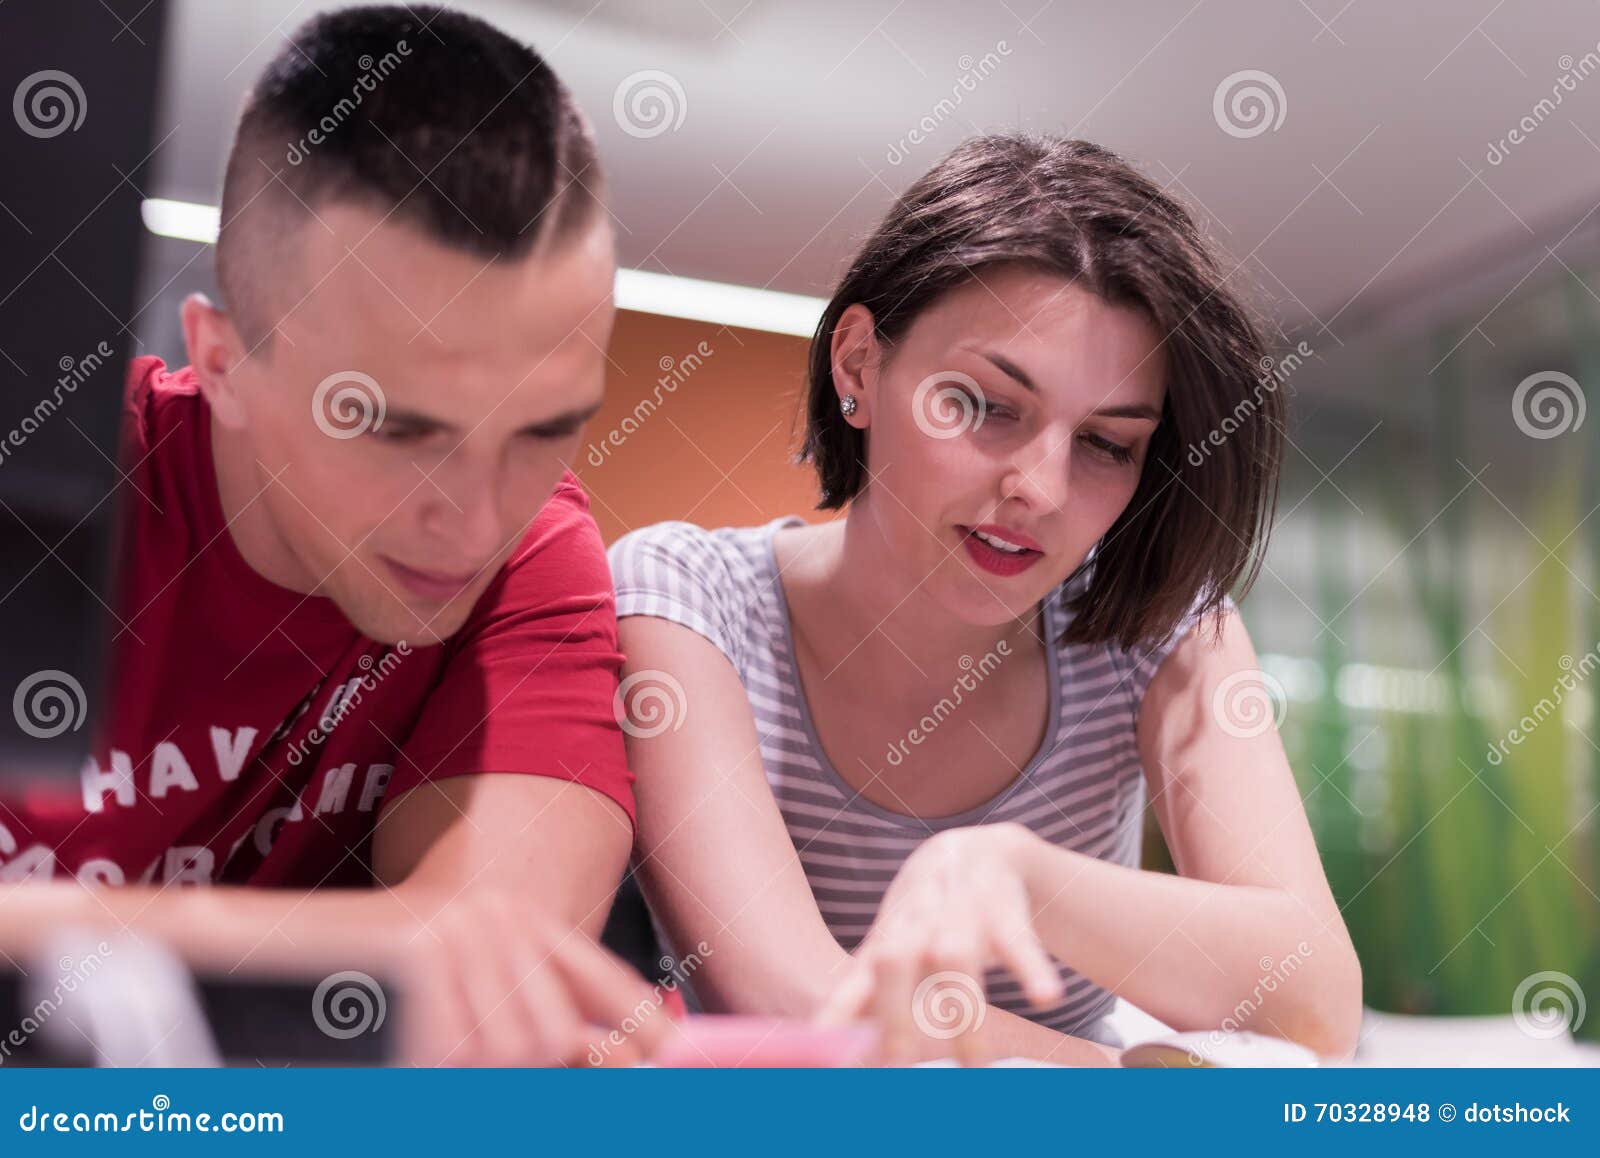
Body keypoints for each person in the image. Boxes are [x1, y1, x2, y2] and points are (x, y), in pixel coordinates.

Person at [0, 5, 665, 1067]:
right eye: (394, 428)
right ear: (221, 363)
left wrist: (53, 943)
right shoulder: (36, 482)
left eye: (546, 431)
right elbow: (432, 960)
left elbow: (497, 975)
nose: (477, 517)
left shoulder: (535, 554)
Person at [608, 134, 1363, 1066]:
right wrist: (1127, 1081)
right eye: (984, 405)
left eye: (1107, 444)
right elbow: (806, 1014)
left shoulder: (1155, 617)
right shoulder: (686, 599)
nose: (1039, 490)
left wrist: (1012, 874)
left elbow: (1318, 1007)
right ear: (856, 366)